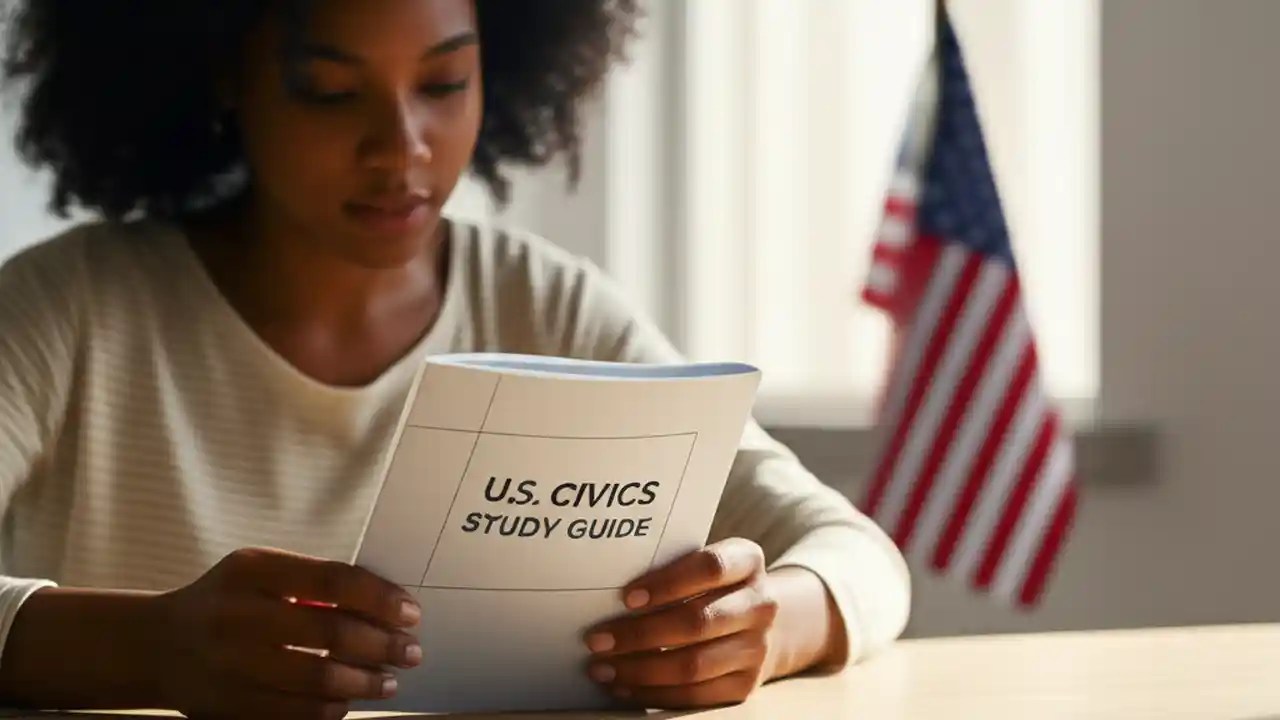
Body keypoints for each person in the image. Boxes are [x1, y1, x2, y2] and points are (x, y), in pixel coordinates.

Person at [0, 0, 910, 716]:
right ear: (223, 81)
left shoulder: (550, 307)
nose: (402, 147)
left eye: (444, 82)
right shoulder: (65, 311)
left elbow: (858, 557)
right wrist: (149, 648)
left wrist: (766, 628)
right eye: (329, 90)